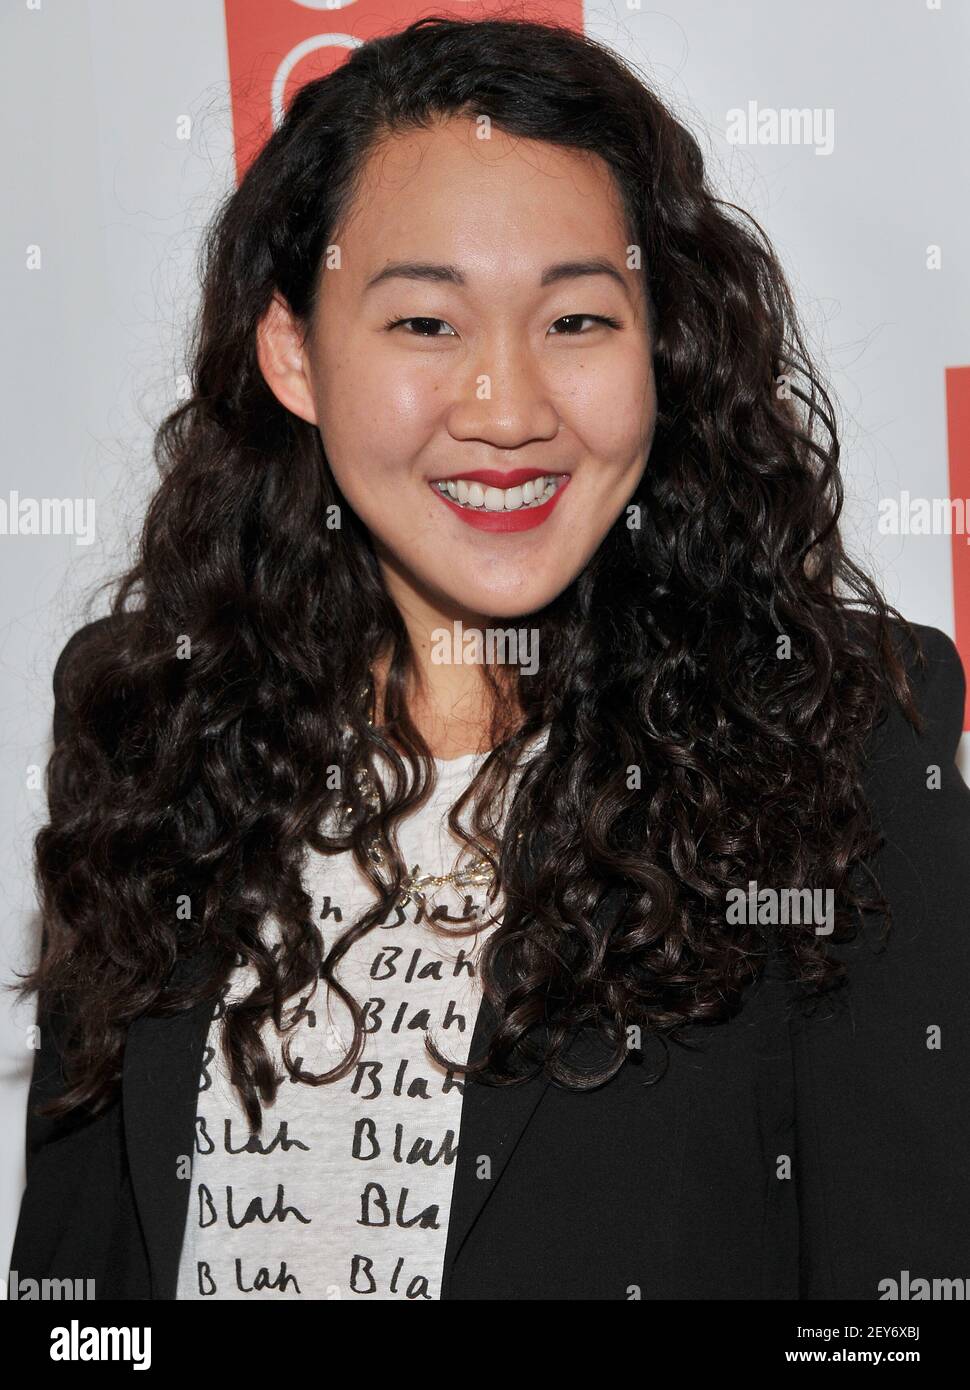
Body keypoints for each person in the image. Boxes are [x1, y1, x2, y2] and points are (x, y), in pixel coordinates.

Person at [8, 15, 970, 1302]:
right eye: (424, 324)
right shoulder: (148, 716)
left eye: (576, 320)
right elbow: (80, 1302)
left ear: (659, 348)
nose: (509, 411)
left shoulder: (837, 737)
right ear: (294, 351)